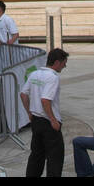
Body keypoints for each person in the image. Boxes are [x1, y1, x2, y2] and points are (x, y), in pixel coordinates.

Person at [21, 48, 68, 177]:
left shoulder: (35, 74)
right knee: (55, 158)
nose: (65, 66)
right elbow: (45, 100)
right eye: (64, 63)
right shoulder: (52, 77)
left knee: (36, 156)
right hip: (48, 123)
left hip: (36, 121)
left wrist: (29, 112)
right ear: (57, 62)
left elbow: (23, 94)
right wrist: (53, 120)